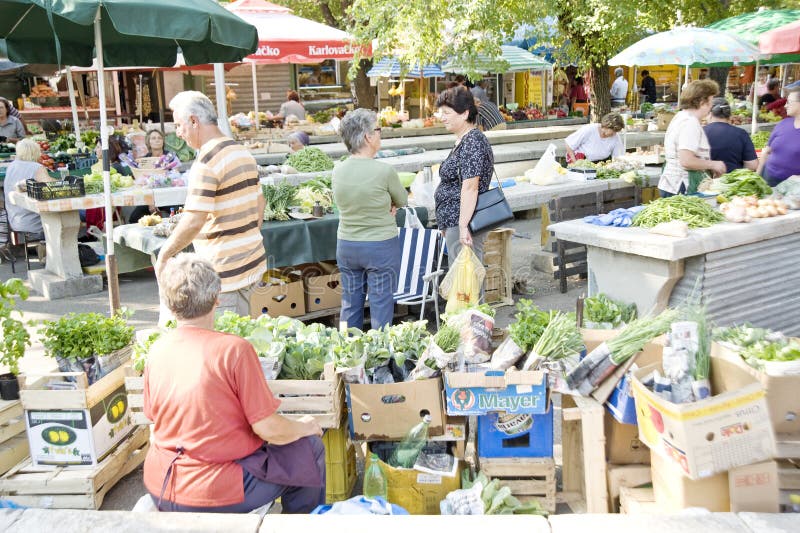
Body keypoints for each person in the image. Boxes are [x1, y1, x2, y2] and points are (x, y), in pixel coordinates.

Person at [144, 253, 324, 513]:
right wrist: (304, 427)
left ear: (170, 305)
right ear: (218, 298)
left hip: (160, 483)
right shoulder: (234, 350)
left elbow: (154, 424)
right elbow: (269, 429)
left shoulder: (157, 350)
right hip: (216, 489)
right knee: (310, 449)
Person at [155, 91, 266, 317]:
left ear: (194, 121)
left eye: (179, 125)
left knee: (227, 340)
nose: (178, 133)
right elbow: (260, 203)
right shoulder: (240, 150)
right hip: (252, 262)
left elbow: (194, 220)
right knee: (245, 334)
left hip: (225, 273)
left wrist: (164, 255)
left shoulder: (206, 162)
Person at [332, 109, 407, 331]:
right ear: (367, 137)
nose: (380, 134)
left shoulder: (338, 170)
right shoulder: (384, 171)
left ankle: (347, 355)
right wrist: (389, 204)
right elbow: (401, 199)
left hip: (347, 244)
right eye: (378, 130)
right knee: (381, 305)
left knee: (349, 304)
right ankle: (380, 361)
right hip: (380, 246)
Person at [434, 86, 493, 266]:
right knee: (463, 281)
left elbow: (470, 187)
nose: (442, 117)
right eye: (440, 112)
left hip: (466, 222)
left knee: (467, 284)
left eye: (447, 112)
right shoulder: (464, 140)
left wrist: (462, 226)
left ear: (464, 114)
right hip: (456, 220)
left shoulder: (473, 141)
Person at [658, 80, 727, 197]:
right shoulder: (690, 123)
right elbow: (686, 161)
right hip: (681, 185)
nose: (711, 106)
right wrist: (714, 165)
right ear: (701, 101)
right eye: (710, 101)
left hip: (671, 183)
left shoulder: (681, 116)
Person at [3, 138, 54, 239]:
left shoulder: (11, 166)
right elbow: (53, 186)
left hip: (15, 221)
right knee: (77, 214)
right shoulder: (36, 167)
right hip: (35, 224)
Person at [704, 97, 758, 174]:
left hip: (705, 183)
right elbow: (753, 165)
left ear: (710, 113)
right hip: (734, 183)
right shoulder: (741, 133)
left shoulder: (701, 132)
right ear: (729, 115)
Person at [758, 89, 800, 187]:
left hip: (793, 187)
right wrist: (757, 176)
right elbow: (766, 152)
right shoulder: (783, 124)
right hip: (768, 177)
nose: (785, 105)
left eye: (789, 102)